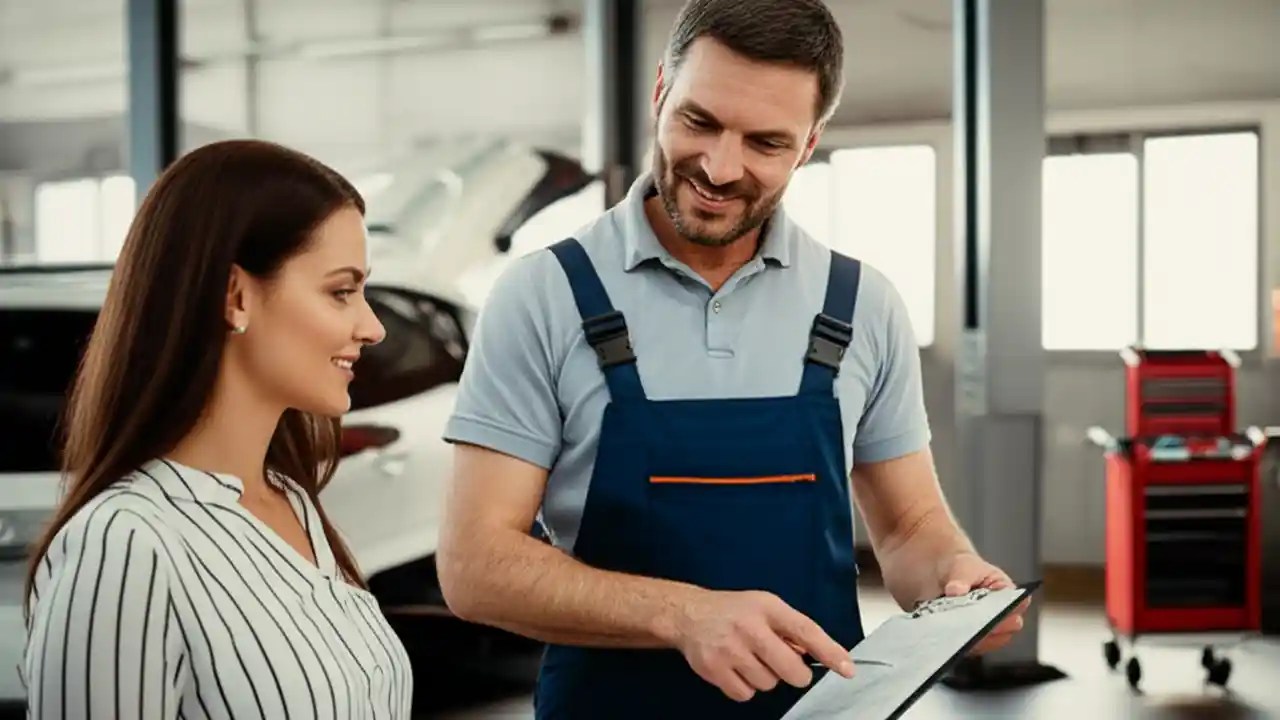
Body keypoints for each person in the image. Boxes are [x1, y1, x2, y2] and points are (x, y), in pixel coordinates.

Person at [437, 0, 1027, 717]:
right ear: (660, 92)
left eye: (766, 143)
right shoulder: (543, 295)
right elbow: (475, 567)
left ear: (809, 144)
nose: (720, 168)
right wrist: (684, 616)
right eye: (699, 121)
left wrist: (954, 581)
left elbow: (907, 532)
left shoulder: (860, 304)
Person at [22, 139, 413, 719]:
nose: (373, 327)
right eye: (341, 292)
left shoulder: (295, 505)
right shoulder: (126, 541)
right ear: (235, 296)